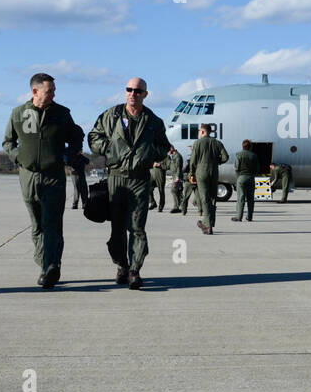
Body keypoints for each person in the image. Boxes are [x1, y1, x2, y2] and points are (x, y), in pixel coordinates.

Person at [2, 73, 84, 290]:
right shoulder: (18, 113)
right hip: (28, 176)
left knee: (53, 223)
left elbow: (77, 136)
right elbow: (8, 141)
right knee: (37, 224)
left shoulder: (61, 114)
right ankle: (43, 265)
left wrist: (68, 155)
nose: (54, 94)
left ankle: (52, 265)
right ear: (35, 91)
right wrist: (19, 157)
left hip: (53, 175)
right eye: (50, 91)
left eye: (54, 90)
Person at [88, 77, 171, 290]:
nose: (133, 94)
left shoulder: (153, 121)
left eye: (138, 91)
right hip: (116, 178)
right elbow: (93, 137)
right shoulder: (111, 115)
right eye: (129, 90)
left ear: (145, 94)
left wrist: (148, 154)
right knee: (117, 230)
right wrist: (110, 149)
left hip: (140, 179)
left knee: (136, 228)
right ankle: (122, 265)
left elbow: (164, 147)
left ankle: (135, 270)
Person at [183, 123, 228, 234]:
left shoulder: (197, 143)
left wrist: (191, 174)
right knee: (213, 198)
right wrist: (217, 162)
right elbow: (225, 157)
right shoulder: (217, 143)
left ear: (202, 132)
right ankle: (210, 222)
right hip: (214, 172)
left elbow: (193, 161)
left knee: (205, 199)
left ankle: (207, 225)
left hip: (201, 172)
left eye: (199, 131)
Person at [231, 139, 261, 222]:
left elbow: (236, 168)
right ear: (250, 147)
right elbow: (257, 168)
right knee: (251, 198)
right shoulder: (254, 155)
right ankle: (249, 216)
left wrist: (238, 177)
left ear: (242, 146)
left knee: (241, 198)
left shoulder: (238, 155)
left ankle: (239, 216)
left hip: (241, 177)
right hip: (251, 178)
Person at [162, 147, 186, 212]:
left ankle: (176, 207)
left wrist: (177, 177)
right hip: (174, 176)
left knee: (174, 190)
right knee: (178, 192)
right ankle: (182, 206)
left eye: (168, 150)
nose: (168, 152)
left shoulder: (177, 156)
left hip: (177, 177)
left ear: (172, 148)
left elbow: (178, 167)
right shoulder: (173, 156)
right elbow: (170, 166)